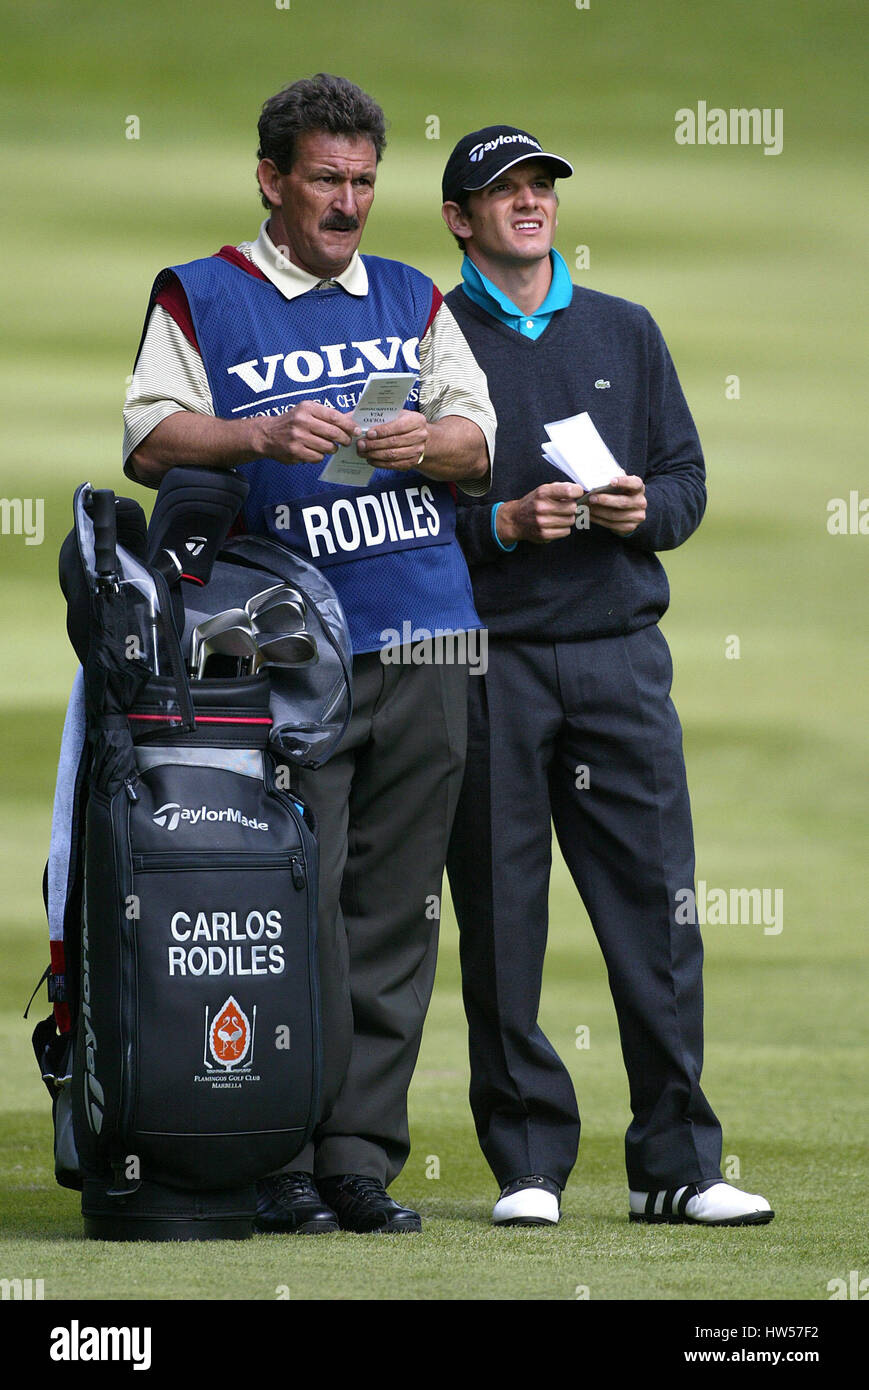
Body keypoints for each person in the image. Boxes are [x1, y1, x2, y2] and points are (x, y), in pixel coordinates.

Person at [122, 75, 495, 1234]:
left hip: (427, 632)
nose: (347, 203)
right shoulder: (203, 295)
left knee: (392, 914)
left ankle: (355, 1159)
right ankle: (273, 1148)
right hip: (281, 647)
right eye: (326, 179)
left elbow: (477, 444)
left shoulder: (410, 293)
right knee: (294, 905)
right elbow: (145, 437)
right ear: (271, 179)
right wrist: (257, 434)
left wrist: (425, 441)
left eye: (364, 181)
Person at [441, 125, 773, 1228]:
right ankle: (527, 1163)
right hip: (488, 660)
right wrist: (501, 521)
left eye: (539, 186)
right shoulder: (429, 335)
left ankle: (674, 1164)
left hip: (620, 658)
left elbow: (684, 482)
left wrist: (643, 512)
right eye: (502, 191)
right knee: (499, 913)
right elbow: (398, 509)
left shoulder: (623, 330)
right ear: (458, 220)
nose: (528, 203)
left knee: (654, 910)